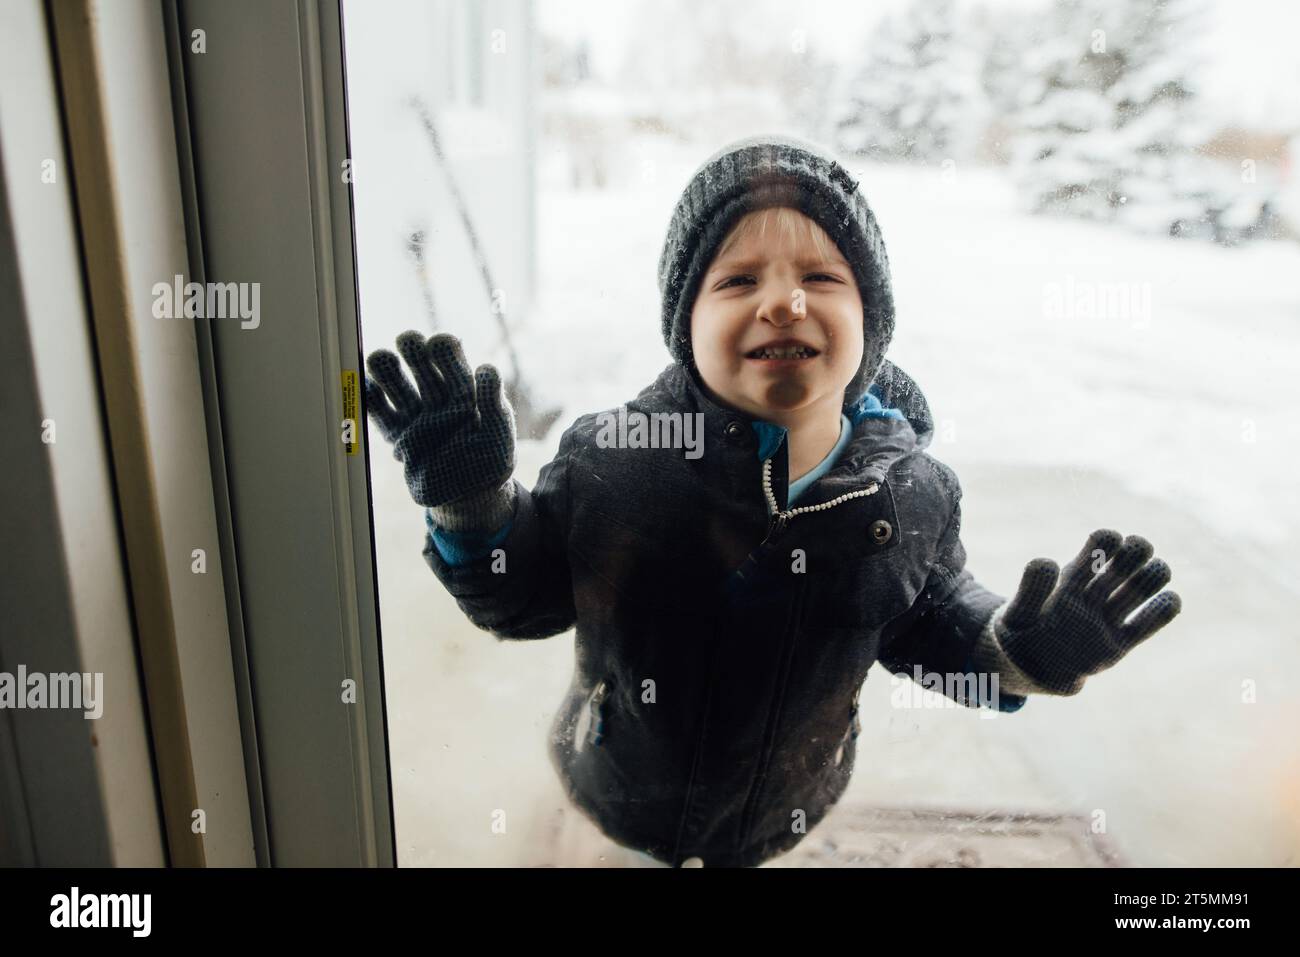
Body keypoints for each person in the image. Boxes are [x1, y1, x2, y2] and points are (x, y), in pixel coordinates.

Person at [364, 134, 1181, 868]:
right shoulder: (614, 460)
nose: (784, 301)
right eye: (739, 279)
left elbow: (930, 628)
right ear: (686, 326)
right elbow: (525, 599)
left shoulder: (911, 495)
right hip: (623, 787)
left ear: (872, 322)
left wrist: (1016, 655)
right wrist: (473, 503)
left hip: (788, 804)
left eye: (821, 277)